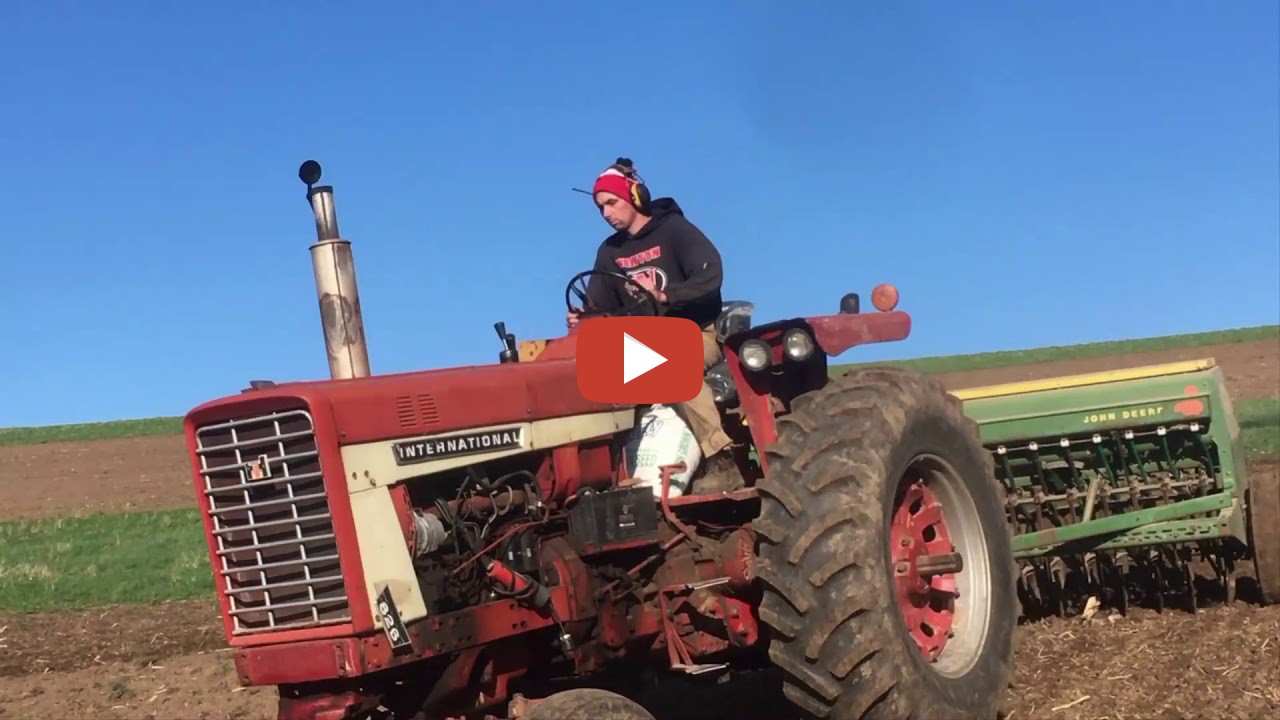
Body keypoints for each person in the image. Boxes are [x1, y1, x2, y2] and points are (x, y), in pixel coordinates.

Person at [567, 158, 742, 494]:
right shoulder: (609, 252)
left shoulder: (674, 230)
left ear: (634, 197)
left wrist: (666, 295)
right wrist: (584, 317)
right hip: (642, 344)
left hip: (695, 331)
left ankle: (722, 455)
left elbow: (710, 273)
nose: (606, 214)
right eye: (600, 208)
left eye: (611, 203)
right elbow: (601, 307)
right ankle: (613, 474)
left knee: (669, 368)